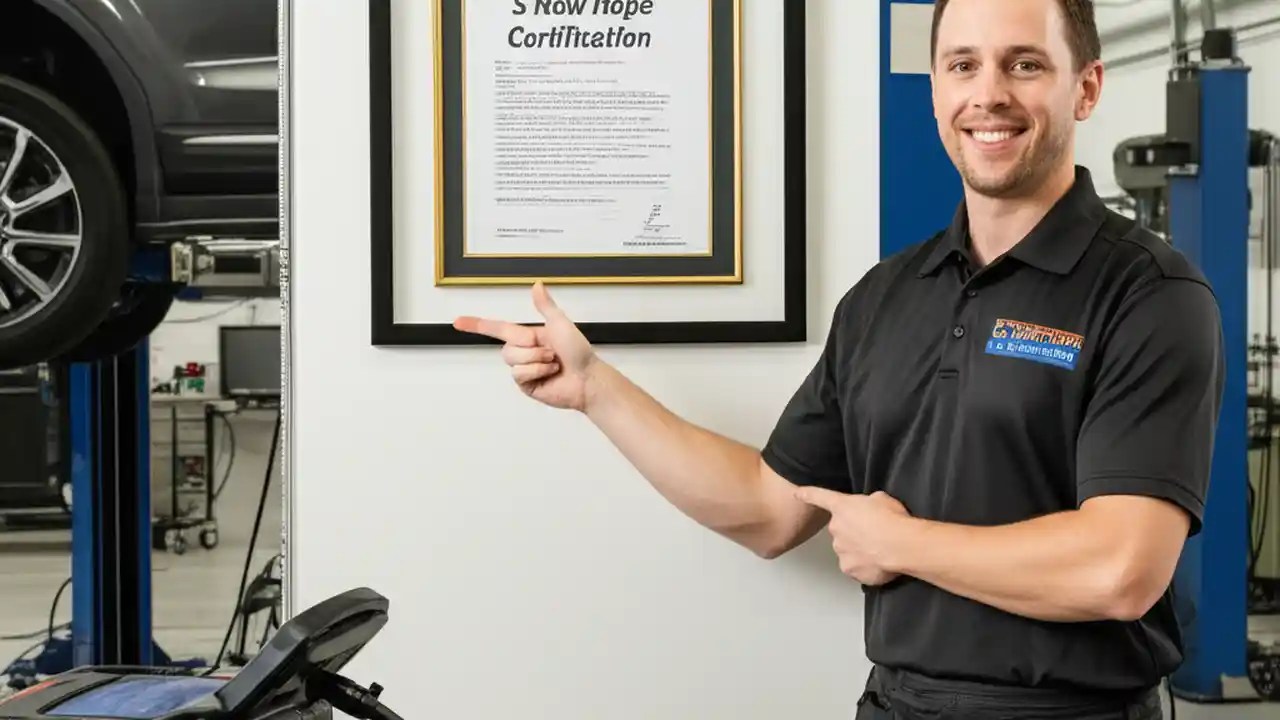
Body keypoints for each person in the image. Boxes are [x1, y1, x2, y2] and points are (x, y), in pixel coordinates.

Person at [454, 0, 1224, 717]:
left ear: (1085, 89)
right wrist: (596, 389)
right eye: (962, 65)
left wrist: (900, 544)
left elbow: (1120, 569)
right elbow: (767, 509)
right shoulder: (885, 297)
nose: (988, 94)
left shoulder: (1149, 294)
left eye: (1024, 64)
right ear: (934, 91)